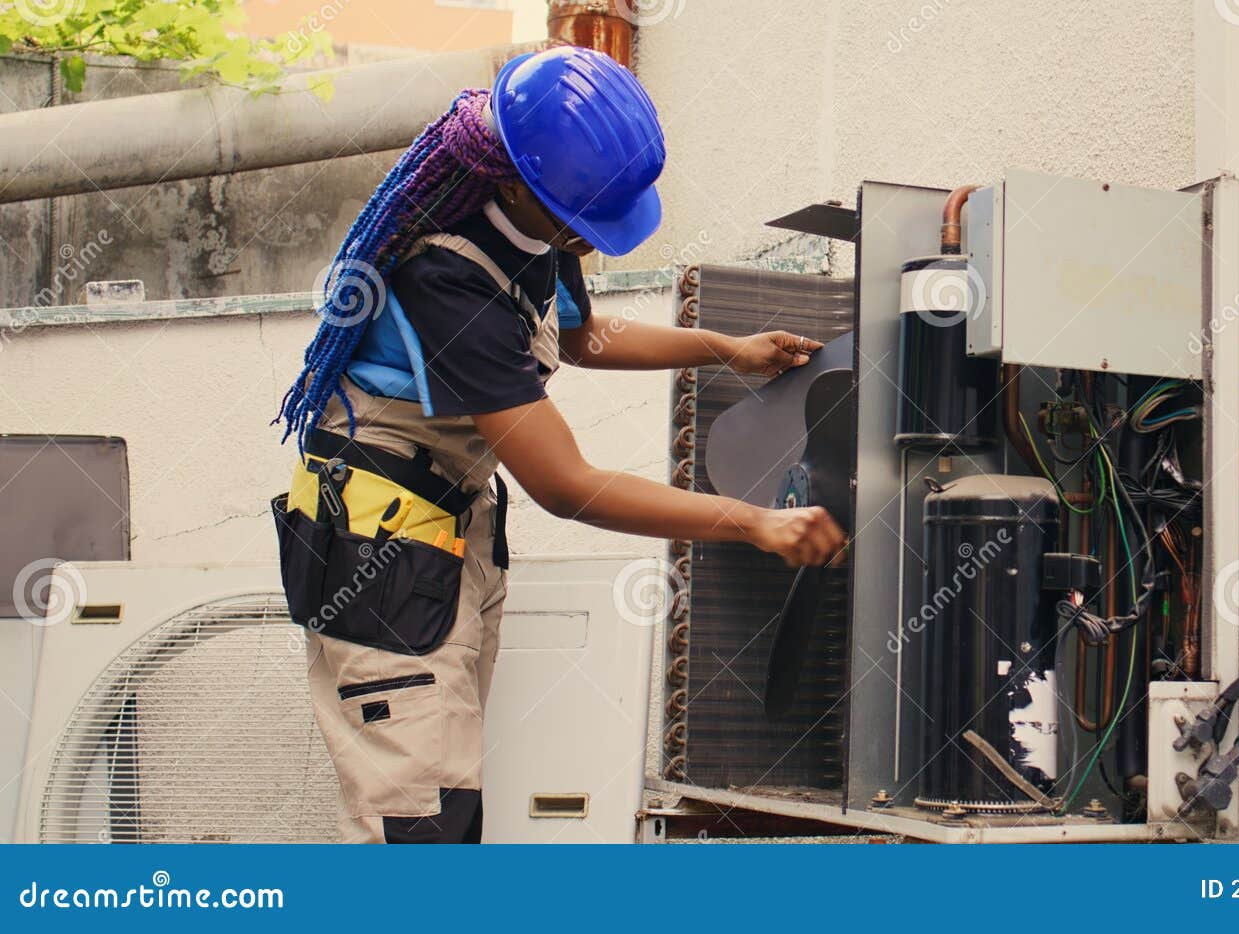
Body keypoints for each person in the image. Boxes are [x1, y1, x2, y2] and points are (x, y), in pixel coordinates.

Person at [271, 46, 845, 844]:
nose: (595, 241)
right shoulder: (446, 277)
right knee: (414, 823)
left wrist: (725, 345)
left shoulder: (539, 235)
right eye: (583, 219)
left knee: (450, 793)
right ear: (514, 184)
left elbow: (583, 337)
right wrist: (751, 522)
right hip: (381, 554)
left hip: (446, 538)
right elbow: (567, 484)